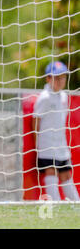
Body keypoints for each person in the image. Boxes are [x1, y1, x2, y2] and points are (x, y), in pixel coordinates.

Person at [32, 61, 79, 201]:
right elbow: (36, 120)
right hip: (47, 144)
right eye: (56, 77)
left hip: (61, 144)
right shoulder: (45, 97)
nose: (60, 81)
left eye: (63, 77)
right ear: (48, 78)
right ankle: (55, 203)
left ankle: (76, 203)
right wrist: (37, 144)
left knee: (66, 174)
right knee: (51, 172)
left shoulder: (64, 96)